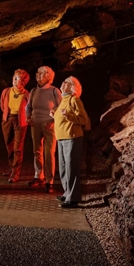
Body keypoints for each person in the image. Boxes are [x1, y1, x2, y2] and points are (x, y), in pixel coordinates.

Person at [24, 66, 62, 193]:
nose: (37, 76)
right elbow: (28, 107)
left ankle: (49, 181)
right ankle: (38, 175)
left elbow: (61, 108)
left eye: (41, 74)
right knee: (37, 151)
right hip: (35, 124)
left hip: (49, 125)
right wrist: (28, 117)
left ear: (48, 77)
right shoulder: (34, 91)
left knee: (49, 153)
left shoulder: (54, 91)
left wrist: (53, 121)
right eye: (37, 74)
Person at [55, 76, 90, 208]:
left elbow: (83, 119)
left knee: (71, 168)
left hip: (72, 137)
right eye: (63, 81)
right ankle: (67, 193)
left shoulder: (74, 99)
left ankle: (73, 198)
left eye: (66, 82)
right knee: (63, 168)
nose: (63, 83)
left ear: (72, 87)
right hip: (61, 137)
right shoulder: (63, 99)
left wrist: (68, 115)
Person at [0, 69, 30, 183]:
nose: (17, 82)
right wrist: (6, 115)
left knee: (18, 147)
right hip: (7, 120)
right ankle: (11, 167)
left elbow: (29, 108)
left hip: (20, 121)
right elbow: (2, 105)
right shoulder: (6, 91)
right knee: (9, 145)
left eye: (20, 80)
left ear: (24, 82)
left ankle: (15, 172)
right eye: (15, 79)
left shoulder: (26, 95)